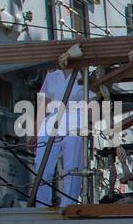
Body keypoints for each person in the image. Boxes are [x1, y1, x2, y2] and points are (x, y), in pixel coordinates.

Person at [32, 66, 90, 206]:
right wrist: (34, 133)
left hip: (75, 121)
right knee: (42, 166)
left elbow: (91, 102)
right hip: (51, 121)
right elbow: (43, 105)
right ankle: (41, 205)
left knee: (73, 168)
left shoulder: (85, 76)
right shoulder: (52, 76)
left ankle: (68, 204)